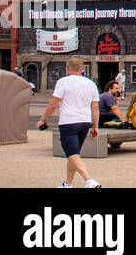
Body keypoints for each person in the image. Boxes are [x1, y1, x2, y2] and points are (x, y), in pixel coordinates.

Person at [36, 56, 102, 188]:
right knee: (74, 154)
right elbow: (95, 108)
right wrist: (95, 127)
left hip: (69, 122)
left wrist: (43, 119)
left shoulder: (63, 82)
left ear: (67, 68)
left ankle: (89, 180)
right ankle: (67, 183)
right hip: (85, 122)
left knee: (72, 154)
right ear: (83, 69)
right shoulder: (91, 84)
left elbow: (53, 104)